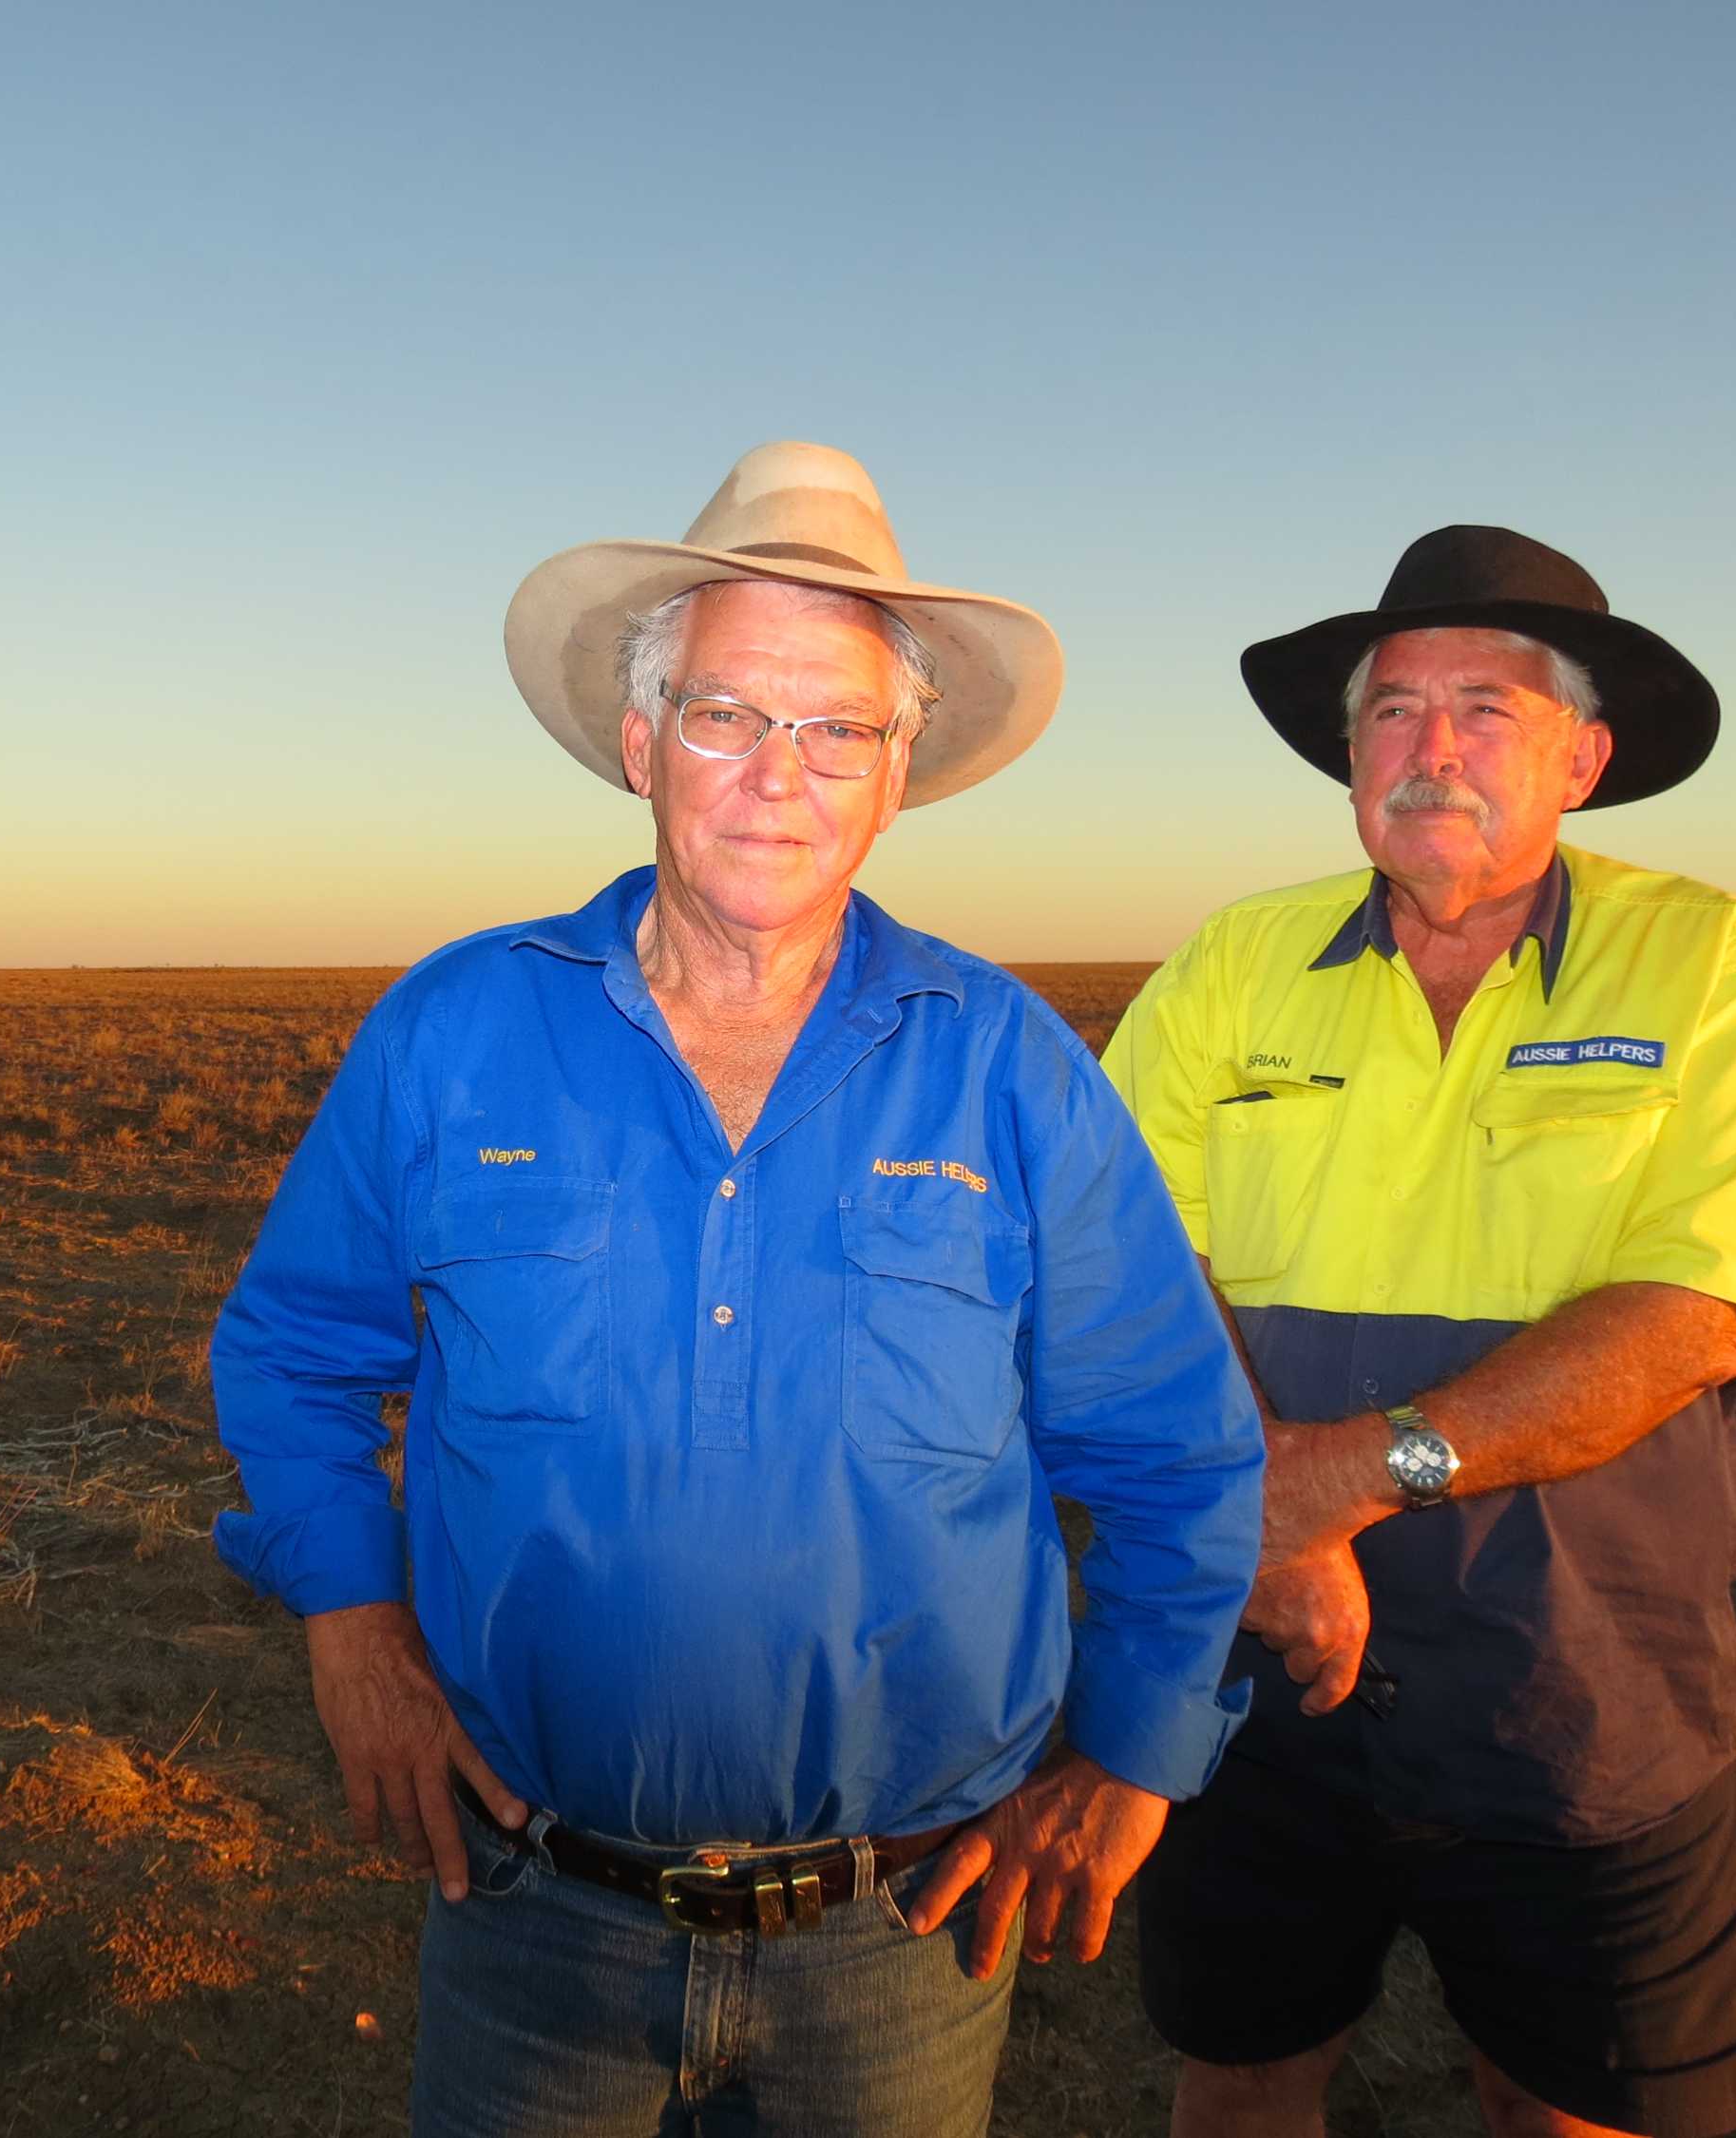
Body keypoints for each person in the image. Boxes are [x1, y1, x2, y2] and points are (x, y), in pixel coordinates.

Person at [211, 442, 1264, 2136]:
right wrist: (353, 1628)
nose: (780, 773)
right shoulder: (453, 1031)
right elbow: (289, 1356)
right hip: (531, 1915)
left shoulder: (1010, 1069)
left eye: (837, 727)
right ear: (642, 743)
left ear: (896, 774)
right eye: (726, 715)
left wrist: (1135, 1754)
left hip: (899, 1945)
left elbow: (1176, 1447)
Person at [1104, 525, 1736, 2138]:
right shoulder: (1236, 962)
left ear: (1585, 758)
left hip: (1584, 1693)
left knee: (1572, 2109)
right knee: (1240, 2075)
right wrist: (1277, 1520)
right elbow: (1121, 1264)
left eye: (1486, 707)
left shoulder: (1705, 959)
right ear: (1348, 757)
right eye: (1391, 711)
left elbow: (1694, 1310)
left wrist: (1339, 1481)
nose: (1429, 746)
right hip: (1248, 1681)